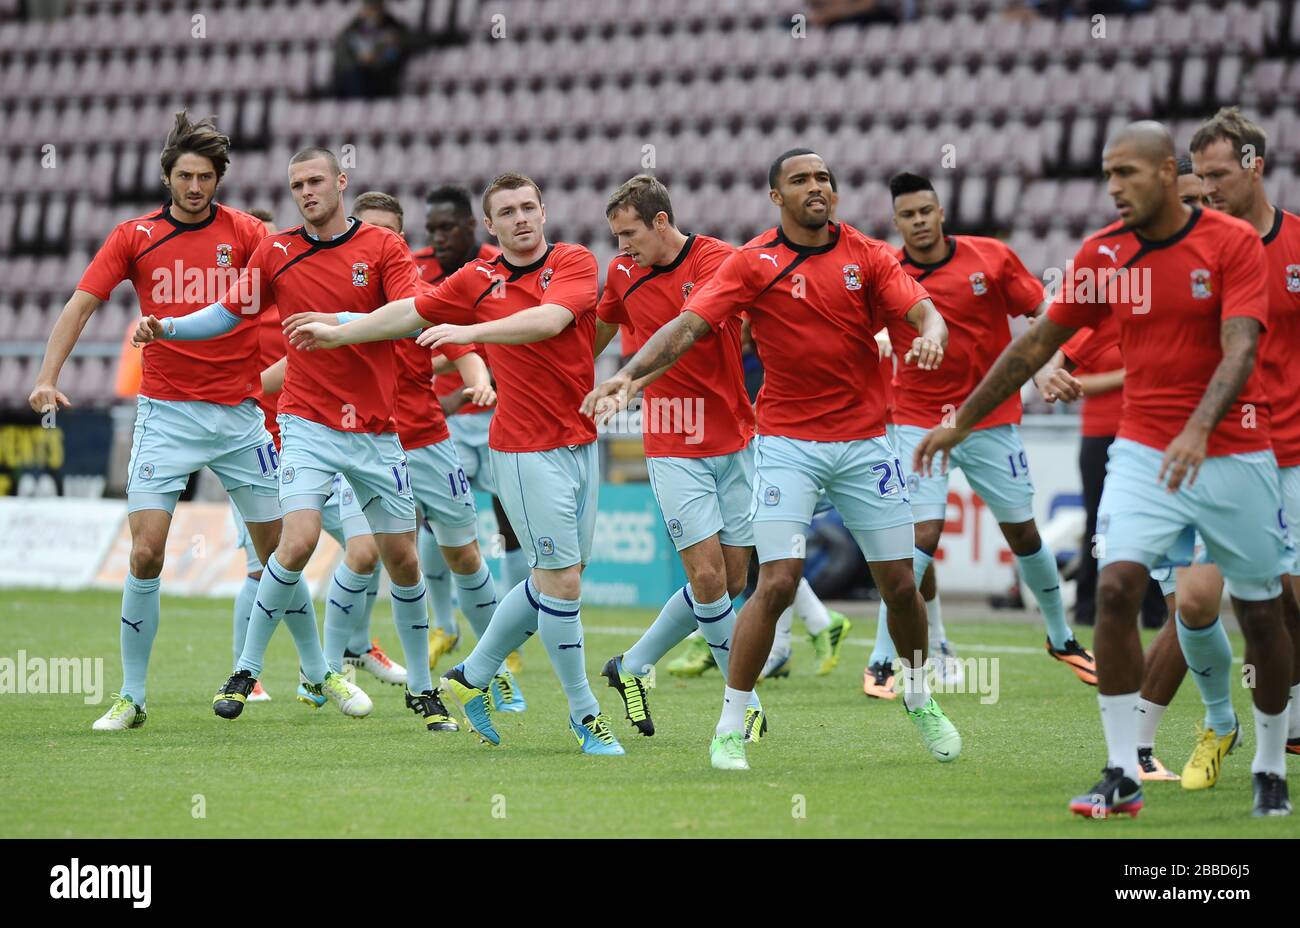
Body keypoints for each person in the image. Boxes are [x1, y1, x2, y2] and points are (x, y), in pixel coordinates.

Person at [913, 121, 1293, 818]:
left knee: (1264, 614)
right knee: (1117, 588)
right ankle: (1122, 769)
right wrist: (961, 420)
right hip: (1145, 449)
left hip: (1236, 447)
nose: (1114, 187)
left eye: (1128, 173)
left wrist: (1201, 428)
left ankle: (1271, 761)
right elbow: (1034, 348)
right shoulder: (1101, 254)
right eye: (1108, 174)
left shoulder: (1231, 244)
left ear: (1165, 171)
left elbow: (1241, 349)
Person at [584, 149, 957, 772]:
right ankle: (732, 722)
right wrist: (625, 376)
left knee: (900, 583)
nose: (816, 187)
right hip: (784, 443)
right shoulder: (752, 263)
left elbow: (921, 308)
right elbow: (688, 326)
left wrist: (934, 331)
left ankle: (918, 696)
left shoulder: (865, 253)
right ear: (776, 196)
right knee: (774, 581)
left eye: (823, 179)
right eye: (801, 179)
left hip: (865, 441)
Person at [287, 172, 625, 756]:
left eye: (529, 207)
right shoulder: (476, 278)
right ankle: (584, 715)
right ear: (491, 226)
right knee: (563, 583)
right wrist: (343, 331)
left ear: (544, 211)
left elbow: (550, 321)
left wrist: (472, 329)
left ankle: (471, 677)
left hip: (579, 441)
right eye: (508, 212)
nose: (521, 219)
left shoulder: (572, 263)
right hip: (523, 449)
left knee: (554, 579)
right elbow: (406, 312)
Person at [135, 148, 460, 735]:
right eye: (296, 185)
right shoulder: (277, 249)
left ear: (341, 181)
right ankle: (245, 668)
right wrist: (171, 326)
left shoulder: (383, 248)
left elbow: (410, 313)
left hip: (376, 430)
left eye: (315, 181)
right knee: (297, 540)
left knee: (402, 559)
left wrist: (336, 328)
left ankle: (422, 687)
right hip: (305, 422)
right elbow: (228, 312)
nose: (306, 191)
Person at [29, 112, 282, 731]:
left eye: (206, 177)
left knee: (281, 554)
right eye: (185, 176)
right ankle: (132, 696)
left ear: (219, 178)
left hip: (239, 415)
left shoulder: (248, 233)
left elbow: (296, 275)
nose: (195, 187)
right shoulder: (134, 235)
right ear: (168, 178)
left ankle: (305, 670)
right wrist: (46, 377)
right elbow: (81, 304)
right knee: (145, 553)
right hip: (165, 414)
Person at [866, 172, 1097, 696]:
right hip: (917, 418)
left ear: (941, 211)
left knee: (1023, 534)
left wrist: (1043, 369)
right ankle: (887, 655)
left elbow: (1045, 313)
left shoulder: (991, 258)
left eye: (926, 211)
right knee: (920, 538)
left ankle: (1061, 637)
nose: (919, 222)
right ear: (896, 222)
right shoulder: (886, 273)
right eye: (908, 215)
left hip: (989, 417)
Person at [590, 174, 770, 740]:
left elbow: (685, 335)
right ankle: (744, 705)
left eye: (629, 234)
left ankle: (632, 665)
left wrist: (628, 377)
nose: (621, 247)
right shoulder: (622, 273)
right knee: (710, 576)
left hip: (734, 435)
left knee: (734, 580)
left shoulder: (718, 260)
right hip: (670, 437)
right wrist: (575, 373)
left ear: (661, 222)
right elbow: (601, 326)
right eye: (615, 236)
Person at [416, 185, 528, 681]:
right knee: (437, 522)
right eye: (432, 230)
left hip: (502, 411)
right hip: (447, 422)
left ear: (471, 226)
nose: (438, 239)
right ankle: (443, 625)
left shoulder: (496, 267)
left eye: (447, 229)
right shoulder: (415, 270)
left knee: (509, 527)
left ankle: (512, 631)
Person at [333, 0, 412, 99]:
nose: (373, 14)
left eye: (376, 9)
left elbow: (400, 51)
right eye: (370, 9)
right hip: (357, 77)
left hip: (383, 75)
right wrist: (361, 61)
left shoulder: (394, 28)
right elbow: (343, 58)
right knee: (356, 77)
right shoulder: (352, 30)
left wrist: (378, 59)